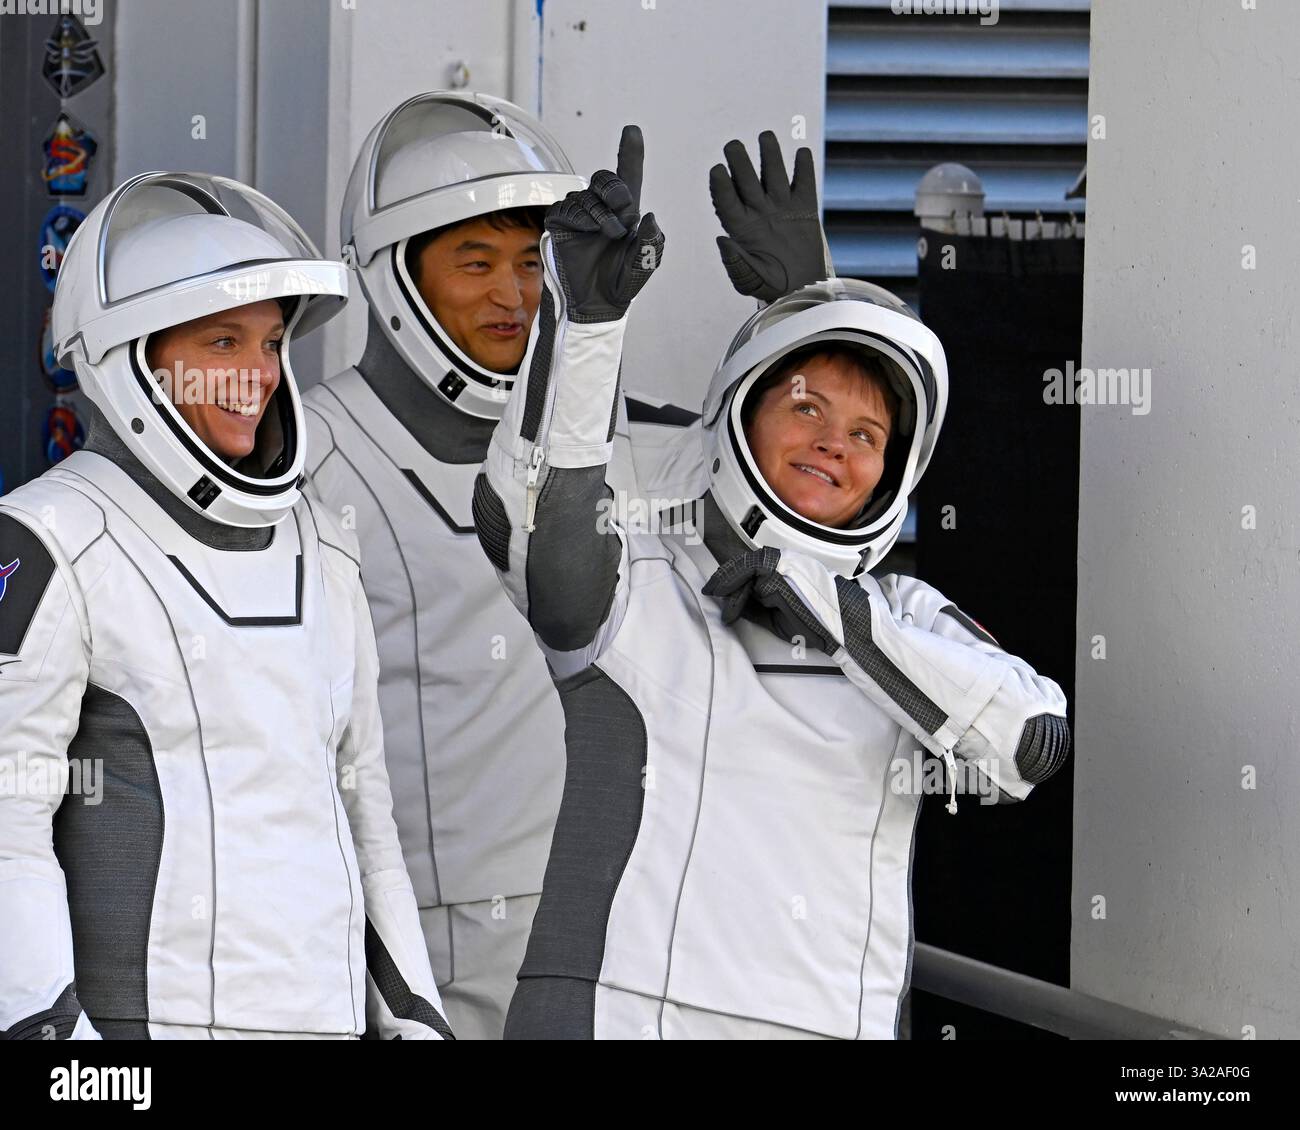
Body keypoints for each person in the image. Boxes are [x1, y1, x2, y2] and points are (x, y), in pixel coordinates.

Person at [476, 127, 1072, 1039]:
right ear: (739, 415)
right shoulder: (642, 579)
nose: (836, 442)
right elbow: (528, 516)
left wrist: (834, 613)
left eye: (869, 436)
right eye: (805, 409)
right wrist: (585, 323)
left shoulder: (904, 619)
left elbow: (1031, 741)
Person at [302, 91, 829, 1038]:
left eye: (530, 262)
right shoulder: (295, 463)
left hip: (622, 948)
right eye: (476, 263)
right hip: (407, 964)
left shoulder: (640, 446)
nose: (514, 295)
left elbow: (822, 504)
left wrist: (803, 312)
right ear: (389, 277)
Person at [0, 172, 450, 1040]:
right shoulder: (49, 536)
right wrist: (51, 1039)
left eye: (272, 344)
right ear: (134, 359)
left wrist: (415, 1018)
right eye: (221, 342)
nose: (259, 375)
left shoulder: (325, 545)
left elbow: (365, 816)